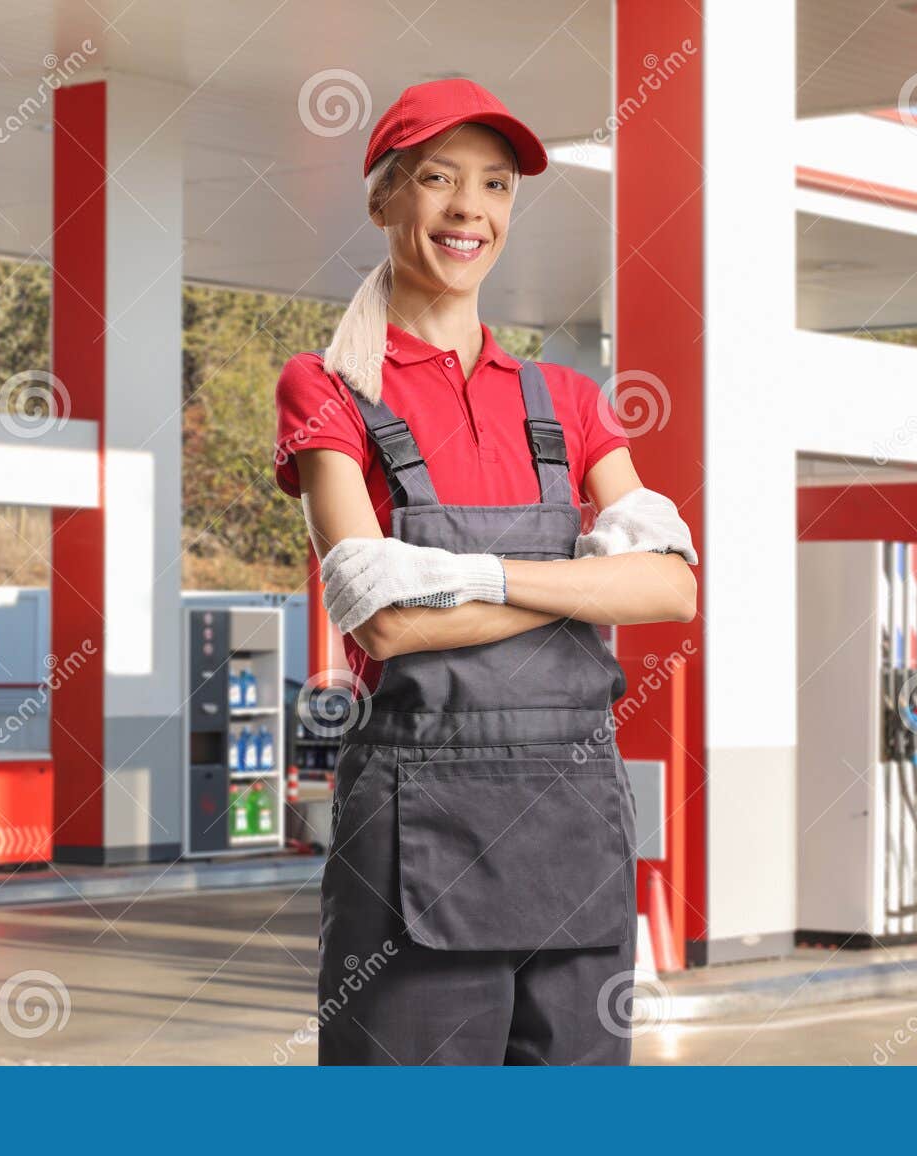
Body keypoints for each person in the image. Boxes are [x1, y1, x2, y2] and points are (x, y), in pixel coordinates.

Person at [273, 77, 698, 1065]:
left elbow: (671, 587)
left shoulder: (569, 399)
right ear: (383, 199)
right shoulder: (328, 389)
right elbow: (384, 622)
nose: (471, 208)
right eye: (437, 178)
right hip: (418, 832)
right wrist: (574, 583)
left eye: (497, 185)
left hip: (575, 829)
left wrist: (472, 577)